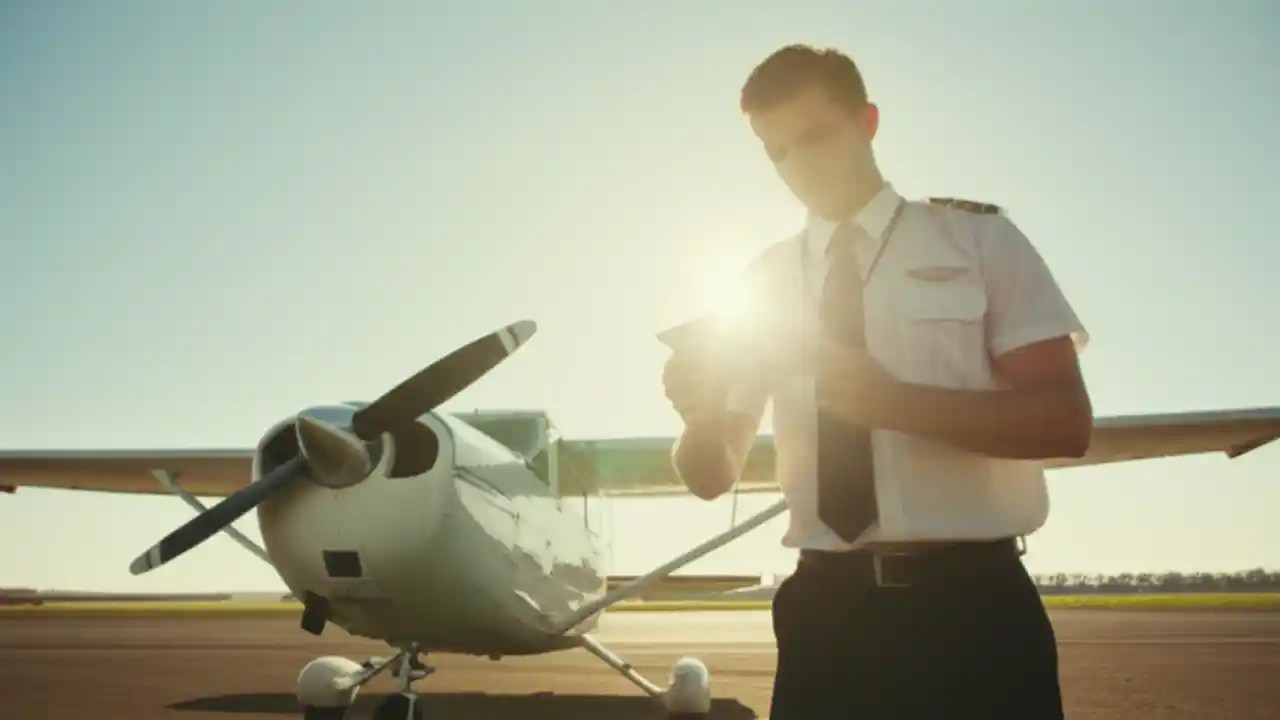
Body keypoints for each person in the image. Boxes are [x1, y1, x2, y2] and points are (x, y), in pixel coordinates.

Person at [662, 44, 1093, 718]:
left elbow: (1065, 422)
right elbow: (711, 475)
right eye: (776, 151)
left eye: (813, 137)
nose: (797, 166)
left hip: (974, 613)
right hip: (825, 617)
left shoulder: (979, 242)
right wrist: (699, 417)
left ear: (867, 121)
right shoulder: (762, 283)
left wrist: (892, 403)